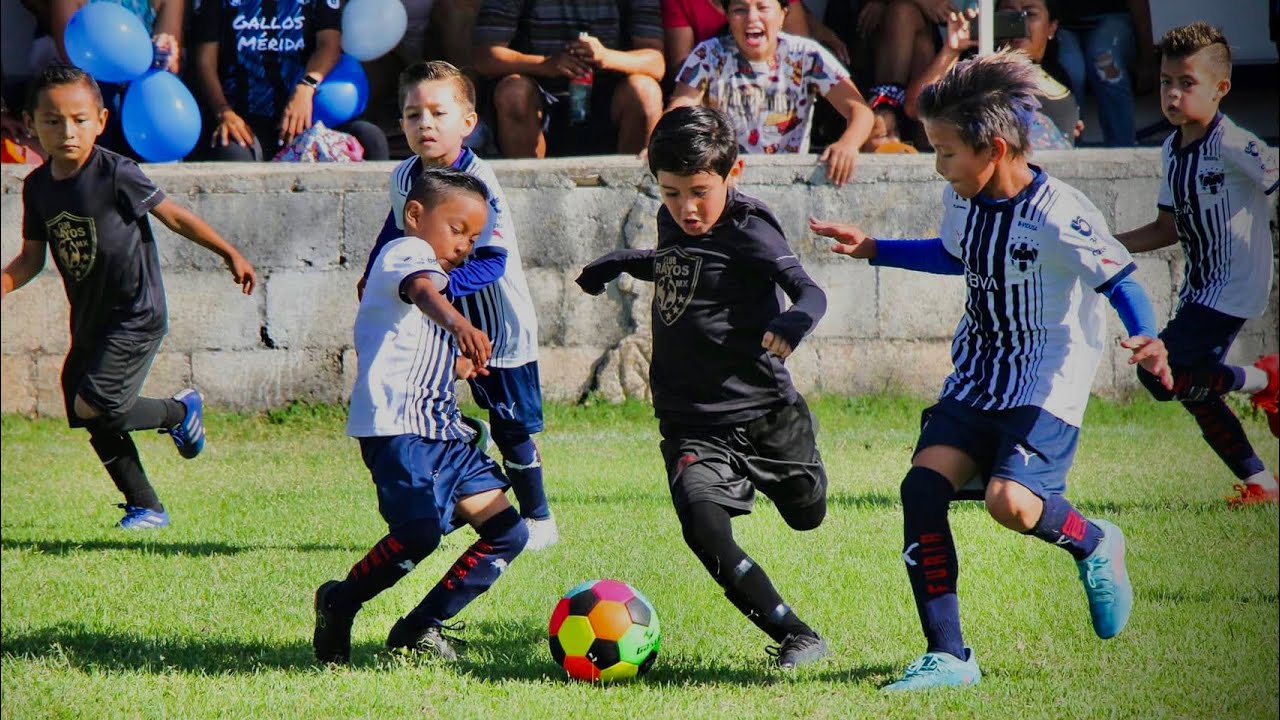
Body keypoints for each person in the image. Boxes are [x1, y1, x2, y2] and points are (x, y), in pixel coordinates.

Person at [810, 50, 1172, 690]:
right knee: (921, 490)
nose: (939, 165)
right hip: (978, 373)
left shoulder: (1062, 212)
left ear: (995, 148)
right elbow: (954, 256)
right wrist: (873, 248)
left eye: (947, 152)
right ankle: (950, 656)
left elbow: (1118, 276)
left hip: (1045, 382)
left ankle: (1092, 542)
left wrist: (1146, 335)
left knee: (1012, 504)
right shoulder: (965, 198)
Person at [576, 106, 832, 670]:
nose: (686, 209)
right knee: (702, 525)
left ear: (732, 172)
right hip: (691, 418)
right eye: (670, 194)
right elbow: (679, 263)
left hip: (766, 412)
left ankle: (800, 465)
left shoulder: (750, 226)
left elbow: (810, 292)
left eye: (699, 192)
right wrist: (622, 261)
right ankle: (795, 634)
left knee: (807, 515)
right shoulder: (675, 220)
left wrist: (793, 321)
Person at [0, 65, 258, 529]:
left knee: (98, 402)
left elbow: (174, 217)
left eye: (79, 120)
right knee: (86, 407)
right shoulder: (37, 187)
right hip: (90, 316)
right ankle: (146, 506)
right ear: (31, 123)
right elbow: (31, 259)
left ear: (100, 120)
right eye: (53, 121)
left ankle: (181, 412)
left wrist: (229, 252)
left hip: (136, 311)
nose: (67, 132)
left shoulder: (116, 172)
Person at [313, 168, 529, 665]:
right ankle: (340, 601)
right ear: (415, 215)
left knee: (508, 533)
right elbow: (423, 293)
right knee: (419, 535)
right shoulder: (405, 253)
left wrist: (455, 366)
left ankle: (420, 627)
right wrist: (460, 322)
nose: (466, 246)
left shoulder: (434, 274)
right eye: (458, 230)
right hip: (399, 429)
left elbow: (413, 347)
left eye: (474, 238)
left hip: (442, 428)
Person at [357, 61, 558, 550]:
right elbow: (397, 225)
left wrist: (433, 287)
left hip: (496, 328)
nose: (424, 123)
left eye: (437, 112)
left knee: (513, 426)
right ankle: (465, 454)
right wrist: (374, 269)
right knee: (422, 403)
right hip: (436, 323)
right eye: (411, 114)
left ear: (468, 122)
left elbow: (490, 262)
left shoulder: (478, 182)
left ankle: (539, 518)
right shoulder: (405, 175)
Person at [1115, 22, 1280, 506]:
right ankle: (1262, 484)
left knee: (1157, 373)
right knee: (1193, 390)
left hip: (1233, 287)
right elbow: (1165, 229)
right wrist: (1104, 247)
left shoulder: (1236, 144)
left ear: (1220, 89)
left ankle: (1265, 379)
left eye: (1187, 83)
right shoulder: (1172, 149)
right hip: (1200, 288)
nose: (1172, 94)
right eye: (1167, 82)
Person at [668, 0, 874, 186]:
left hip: (789, 180)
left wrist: (849, 143)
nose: (752, 18)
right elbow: (682, 105)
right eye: (740, 9)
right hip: (725, 178)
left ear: (783, 13)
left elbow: (860, 110)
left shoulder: (806, 55)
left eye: (763, 7)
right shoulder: (709, 54)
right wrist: (665, 139)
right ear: (727, 15)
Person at [190, 0, 389, 161]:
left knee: (371, 139)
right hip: (246, 118)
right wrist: (224, 113)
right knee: (231, 154)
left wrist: (305, 88)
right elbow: (205, 61)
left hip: (309, 114)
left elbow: (329, 44)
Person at [472, 0, 666, 157]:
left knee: (645, 91)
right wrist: (546, 64)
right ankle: (528, 193)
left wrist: (605, 57)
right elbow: (484, 57)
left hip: (610, 101)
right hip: (539, 101)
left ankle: (633, 188)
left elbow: (656, 62)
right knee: (513, 93)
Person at [904, 2, 1081, 151]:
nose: (1019, 21)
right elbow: (917, 108)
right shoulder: (975, 69)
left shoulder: (1060, 79)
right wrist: (952, 49)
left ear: (1052, 26)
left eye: (1030, 14)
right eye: (1009, 14)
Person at [1053, 0, 1155, 147]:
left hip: (1113, 18)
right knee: (1070, 71)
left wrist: (1148, 59)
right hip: (1062, 25)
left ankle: (1123, 153)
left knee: (1105, 64)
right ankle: (1066, 150)